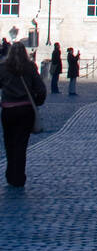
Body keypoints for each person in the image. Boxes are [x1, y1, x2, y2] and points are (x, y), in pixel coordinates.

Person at [0, 40, 47, 187]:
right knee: (21, 144)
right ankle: (18, 176)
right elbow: (41, 89)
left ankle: (10, 173)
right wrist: (36, 102)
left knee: (9, 143)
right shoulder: (30, 67)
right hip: (25, 109)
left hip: (8, 109)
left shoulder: (3, 68)